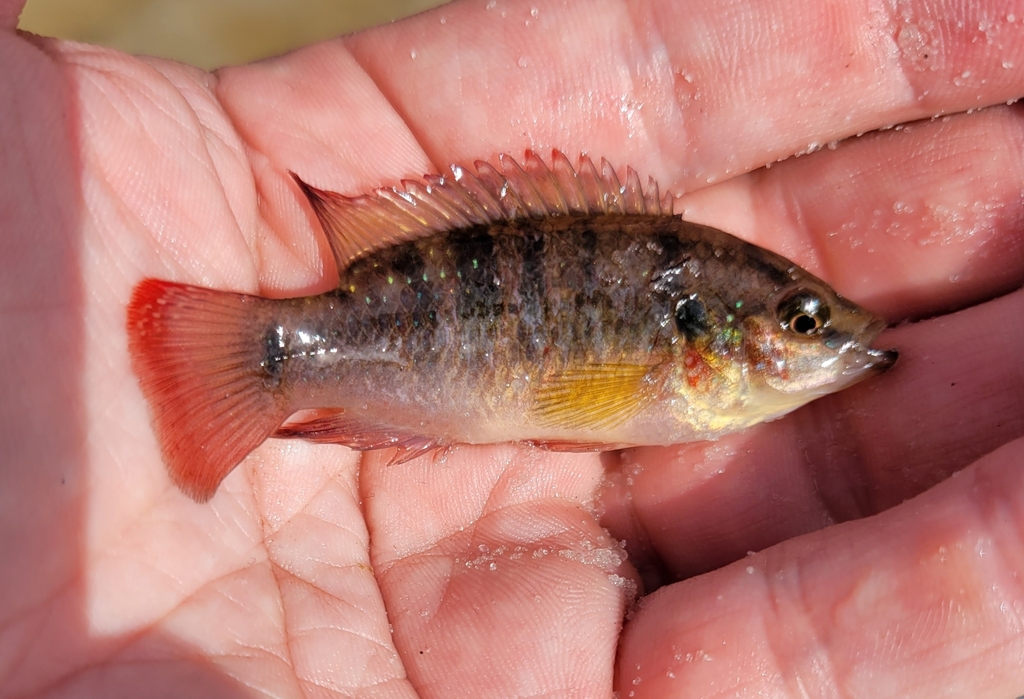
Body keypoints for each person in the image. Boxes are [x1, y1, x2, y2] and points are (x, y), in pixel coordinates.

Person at [2, 0, 1022, 695]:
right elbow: (579, 400)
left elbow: (581, 401)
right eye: (800, 321)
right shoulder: (678, 346)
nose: (828, 338)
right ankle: (257, 364)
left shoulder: (699, 325)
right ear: (708, 337)